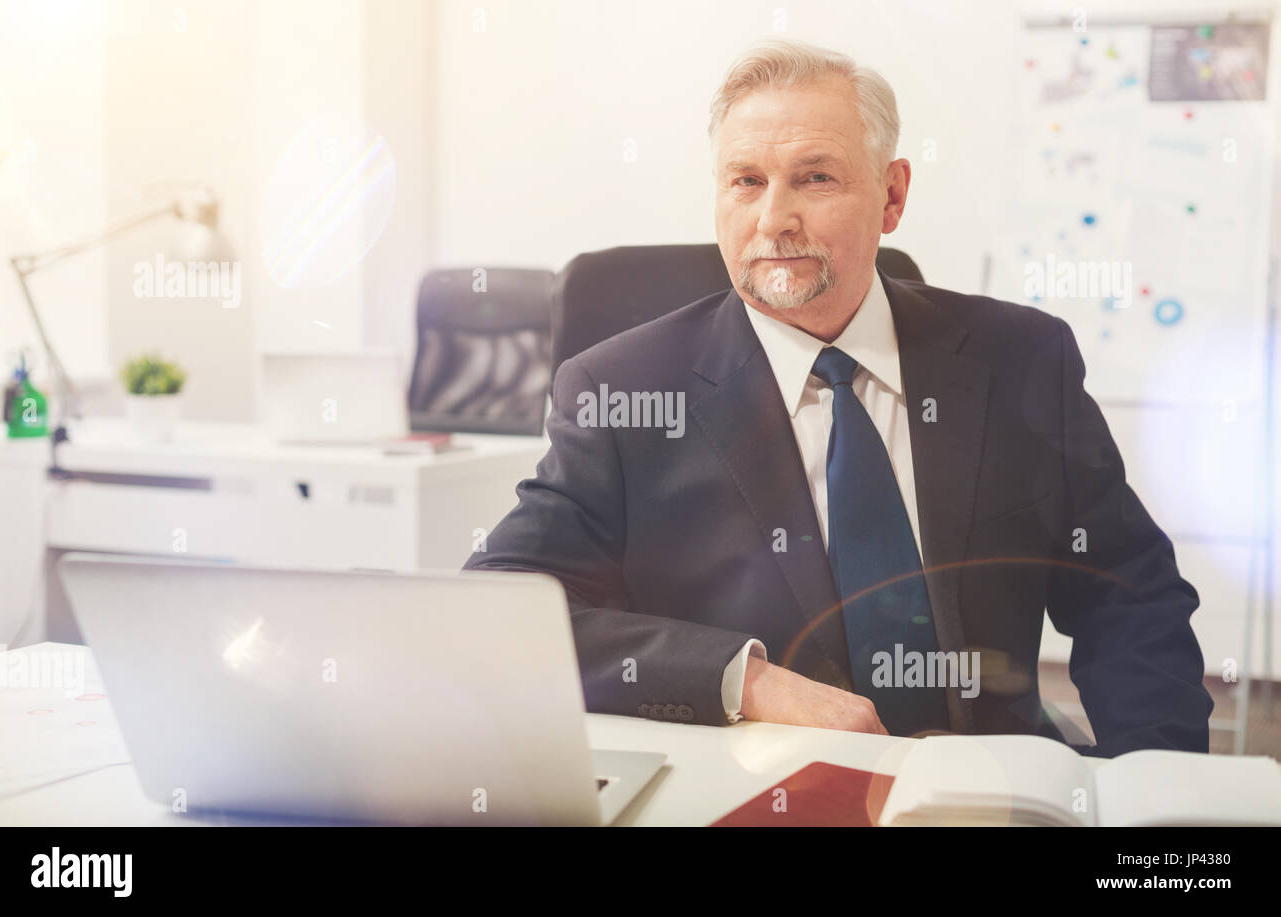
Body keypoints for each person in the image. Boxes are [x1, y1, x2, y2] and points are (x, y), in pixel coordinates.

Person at [465, 39, 1213, 757]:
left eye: (815, 178)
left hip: (986, 784)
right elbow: (501, 606)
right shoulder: (624, 392)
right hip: (756, 792)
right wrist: (745, 678)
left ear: (892, 196)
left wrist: (1156, 790)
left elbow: (1129, 596)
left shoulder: (1019, 360)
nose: (773, 219)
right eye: (746, 180)